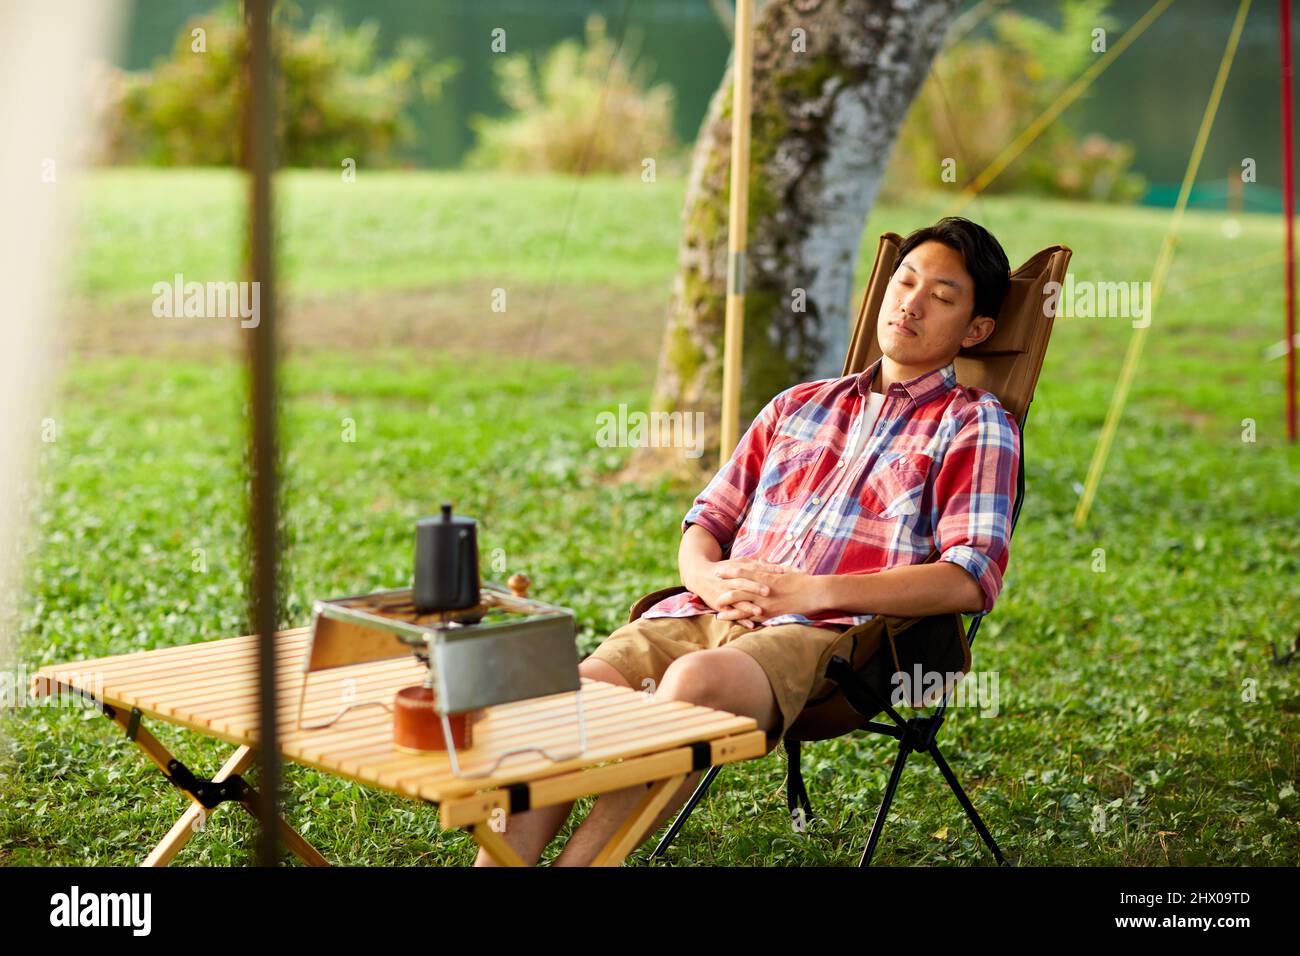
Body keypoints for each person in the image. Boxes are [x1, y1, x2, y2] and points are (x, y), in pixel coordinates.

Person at [473, 216, 1021, 866]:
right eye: (905, 281)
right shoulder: (799, 404)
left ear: (977, 329)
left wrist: (811, 591)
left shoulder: (975, 425)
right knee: (567, 698)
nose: (911, 302)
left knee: (694, 683)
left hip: (833, 642)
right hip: (707, 609)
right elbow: (707, 521)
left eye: (943, 295)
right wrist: (703, 577)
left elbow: (969, 577)